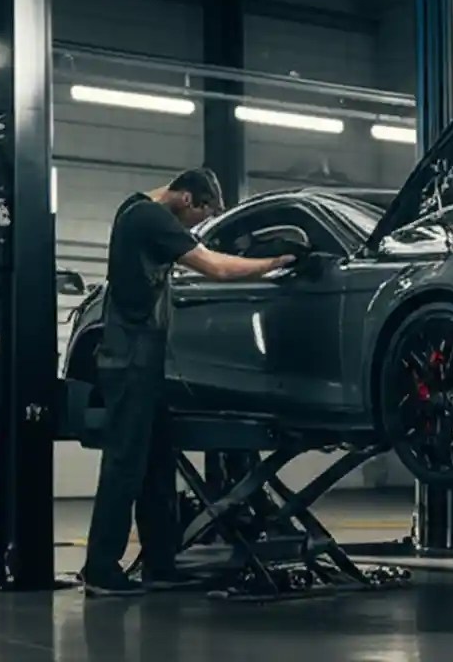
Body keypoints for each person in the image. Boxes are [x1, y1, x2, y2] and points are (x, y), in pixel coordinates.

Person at [83, 167, 296, 596]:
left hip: (144, 361)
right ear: (186, 199)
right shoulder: (149, 217)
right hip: (130, 360)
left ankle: (161, 565)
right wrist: (275, 263)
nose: (198, 226)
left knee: (157, 465)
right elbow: (215, 268)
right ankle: (100, 569)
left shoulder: (135, 210)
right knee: (125, 465)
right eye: (203, 215)